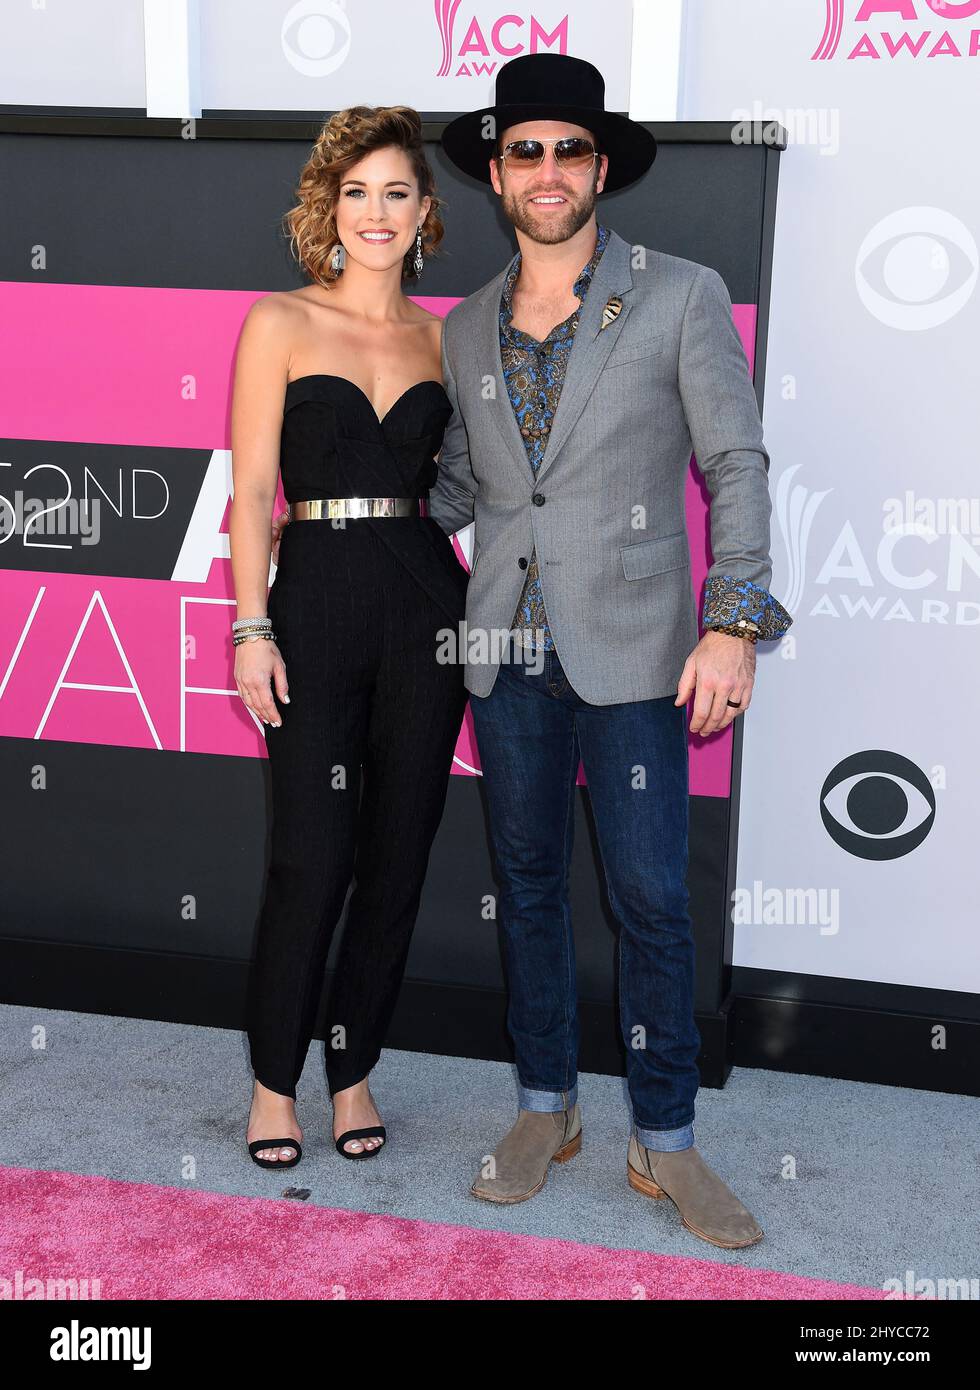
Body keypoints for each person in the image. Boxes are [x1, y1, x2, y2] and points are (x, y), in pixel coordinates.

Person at [430, 54, 793, 1247]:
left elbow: (732, 464)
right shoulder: (464, 323)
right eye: (524, 150)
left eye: (568, 150)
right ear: (494, 172)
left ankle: (666, 1138)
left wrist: (733, 623)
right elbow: (455, 488)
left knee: (648, 898)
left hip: (640, 649)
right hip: (504, 653)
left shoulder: (681, 294)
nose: (546, 171)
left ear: (598, 170)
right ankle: (545, 1108)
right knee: (526, 885)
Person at [230, 106, 468, 1168]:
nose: (376, 212)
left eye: (397, 193)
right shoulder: (278, 321)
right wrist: (249, 626)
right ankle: (274, 1082)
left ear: (425, 214)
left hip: (425, 605)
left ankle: (353, 1068)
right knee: (308, 855)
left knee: (397, 853)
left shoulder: (448, 337)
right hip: (314, 599)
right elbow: (246, 496)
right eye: (357, 191)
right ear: (330, 206)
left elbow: (477, 487)